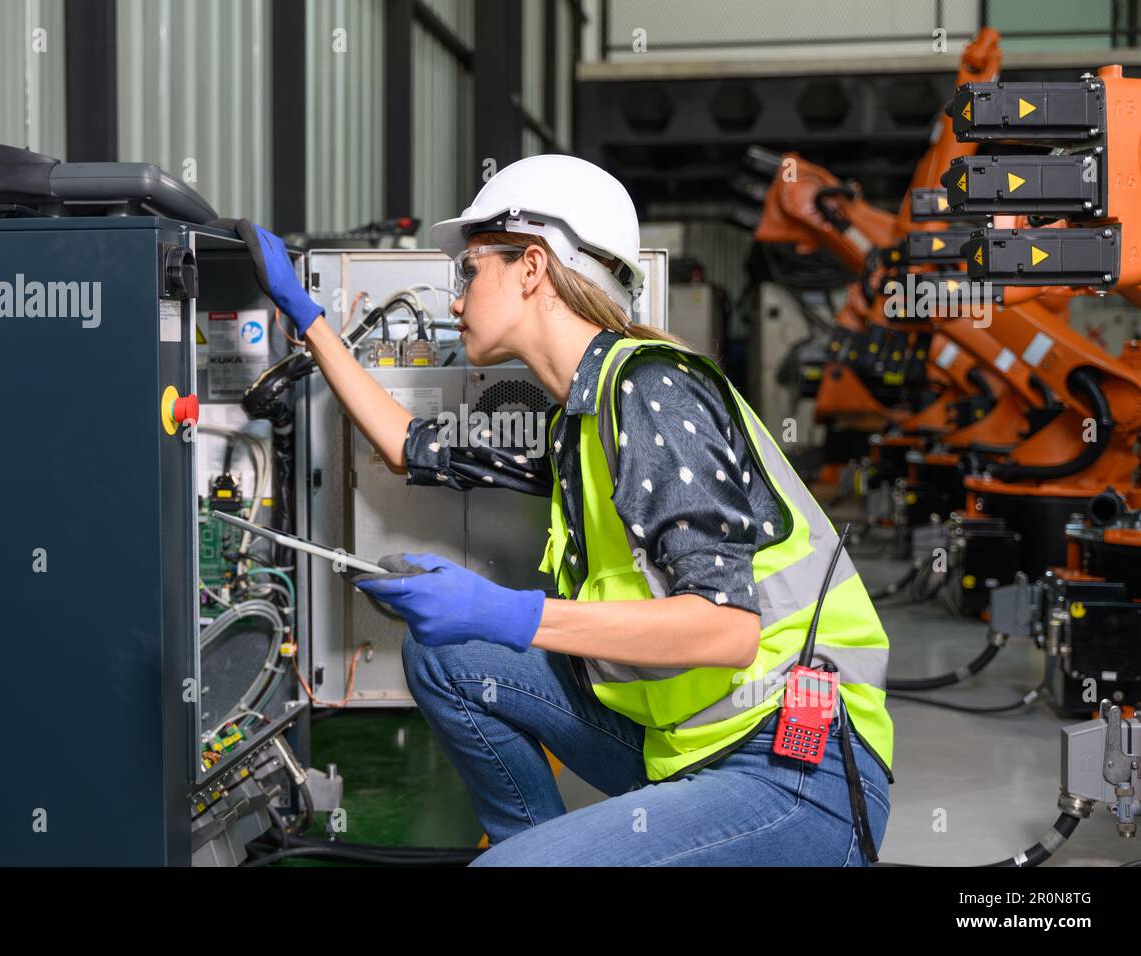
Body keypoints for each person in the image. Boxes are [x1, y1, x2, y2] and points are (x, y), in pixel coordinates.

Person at [238, 154, 893, 866]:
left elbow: (728, 631)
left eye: (470, 270)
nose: (454, 299)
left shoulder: (651, 389)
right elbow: (409, 448)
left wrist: (505, 612)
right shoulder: (578, 423)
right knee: (445, 653)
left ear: (532, 267)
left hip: (799, 766)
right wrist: (309, 319)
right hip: (690, 744)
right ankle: (534, 848)